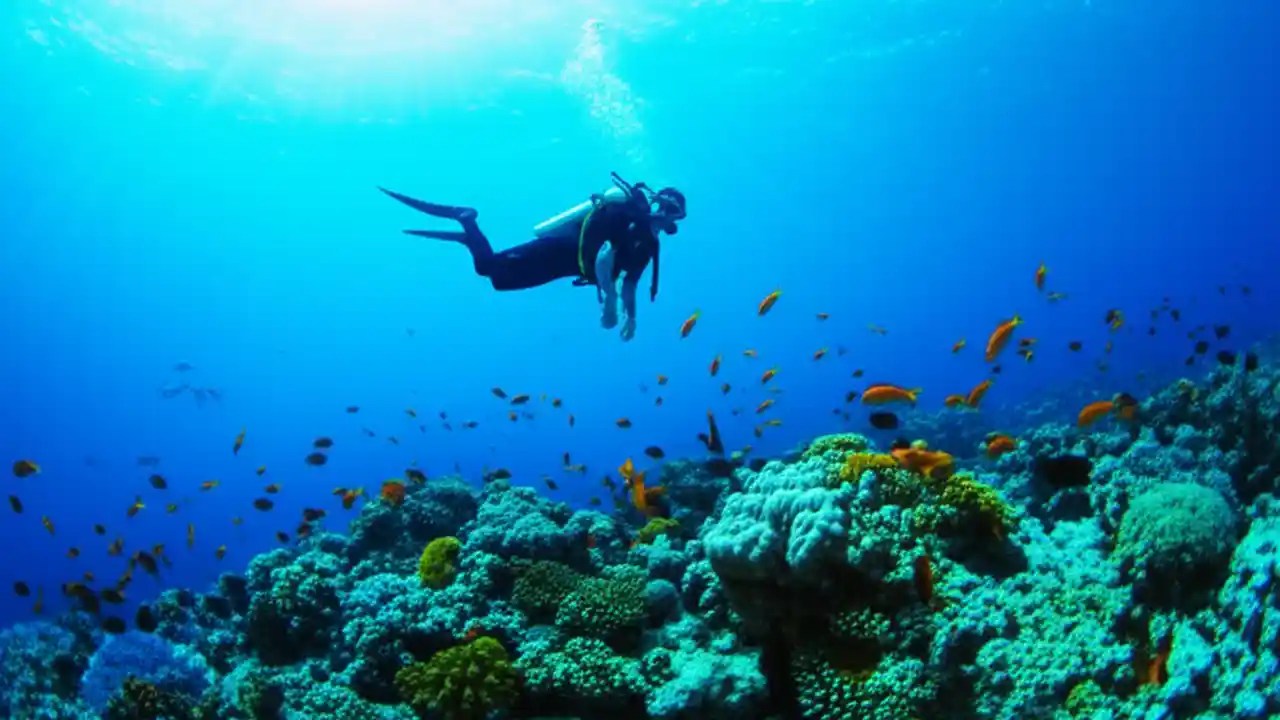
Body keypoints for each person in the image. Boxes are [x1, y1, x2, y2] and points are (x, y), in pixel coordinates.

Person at [380, 174, 686, 341]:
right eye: (666, 206)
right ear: (657, 201)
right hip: (557, 247)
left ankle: (467, 234)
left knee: (498, 281)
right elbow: (605, 259)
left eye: (673, 213)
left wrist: (631, 317)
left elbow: (631, 283)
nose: (665, 214)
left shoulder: (647, 246)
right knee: (487, 267)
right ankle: (466, 218)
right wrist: (609, 301)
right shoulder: (627, 219)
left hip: (566, 267)